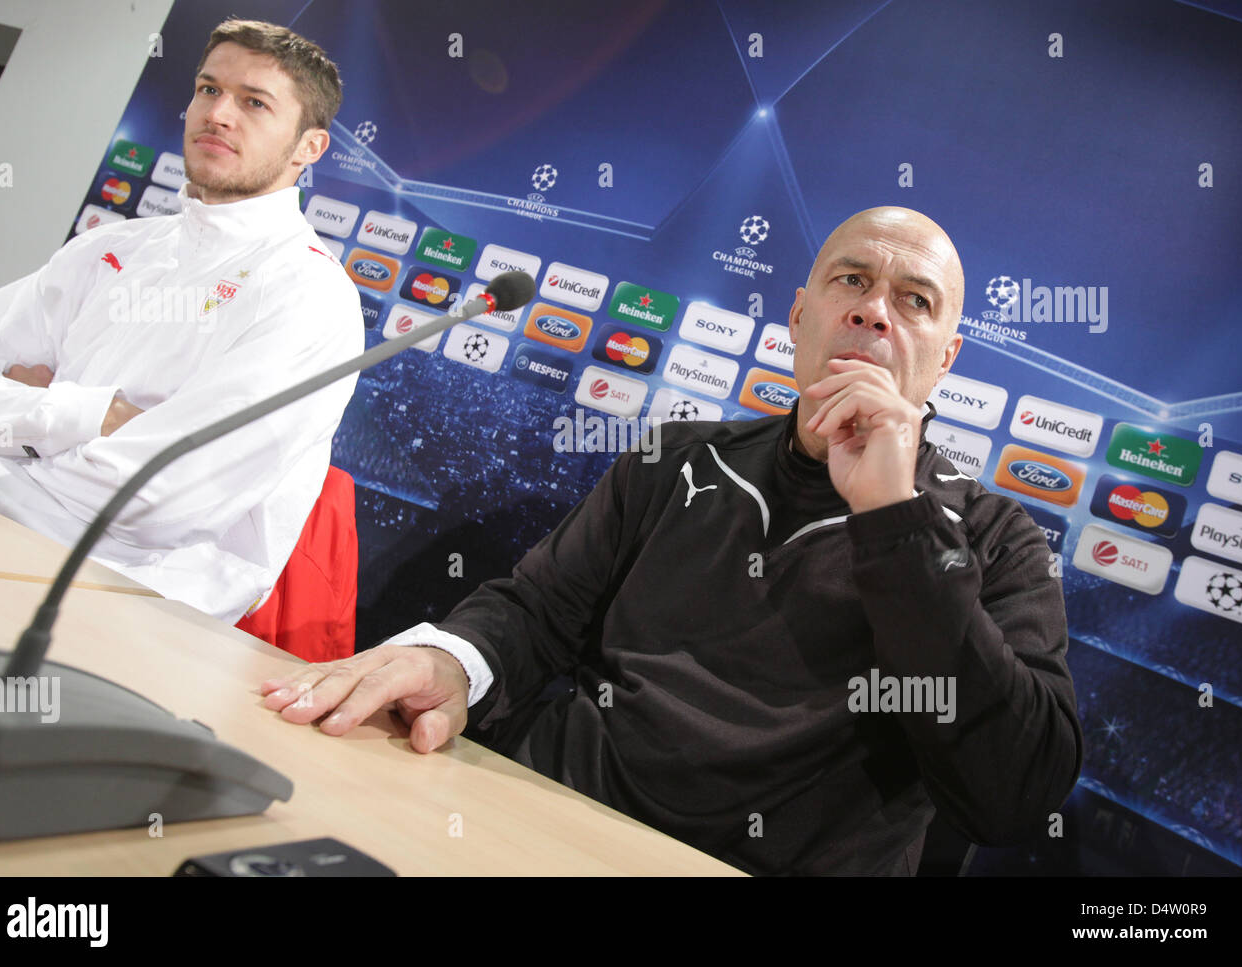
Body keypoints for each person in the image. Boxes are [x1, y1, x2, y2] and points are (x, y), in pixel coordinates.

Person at [261, 207, 1083, 875]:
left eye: (916, 301)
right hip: (535, 825)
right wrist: (454, 661)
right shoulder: (680, 456)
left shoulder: (996, 541)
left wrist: (893, 521)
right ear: (800, 316)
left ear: (945, 360)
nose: (875, 309)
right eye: (853, 281)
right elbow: (538, 610)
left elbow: (1011, 794)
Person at [0, 20, 363, 623]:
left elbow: (155, 503)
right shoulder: (112, 247)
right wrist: (90, 416)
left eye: (254, 102)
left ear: (309, 147)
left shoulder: (310, 296)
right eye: (208, 89)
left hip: (123, 610)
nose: (218, 114)